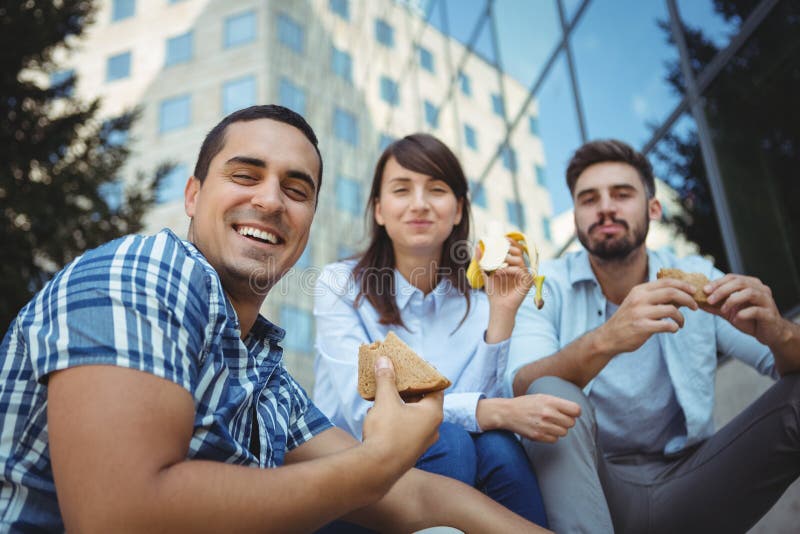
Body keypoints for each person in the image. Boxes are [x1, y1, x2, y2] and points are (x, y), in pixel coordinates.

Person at [0, 105, 549, 533]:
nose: (270, 201)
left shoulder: (264, 375)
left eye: (296, 189)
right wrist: (377, 460)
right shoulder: (145, 271)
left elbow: (418, 495)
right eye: (245, 175)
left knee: (487, 453)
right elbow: (119, 518)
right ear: (193, 195)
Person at [506, 138, 800, 533]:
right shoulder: (547, 288)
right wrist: (607, 338)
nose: (605, 207)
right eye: (589, 199)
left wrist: (779, 332)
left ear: (654, 208)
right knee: (550, 389)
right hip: (595, 486)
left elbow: (786, 370)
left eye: (622, 194)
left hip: (694, 479)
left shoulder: (697, 276)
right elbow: (522, 386)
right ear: (575, 216)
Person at [313, 133, 580, 528]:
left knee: (497, 447)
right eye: (402, 189)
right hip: (353, 480)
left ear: (458, 210)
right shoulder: (339, 285)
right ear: (380, 210)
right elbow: (367, 413)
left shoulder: (481, 297)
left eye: (436, 190)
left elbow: (481, 416)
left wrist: (502, 313)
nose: (419, 203)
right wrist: (491, 411)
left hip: (456, 468)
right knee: (452, 439)